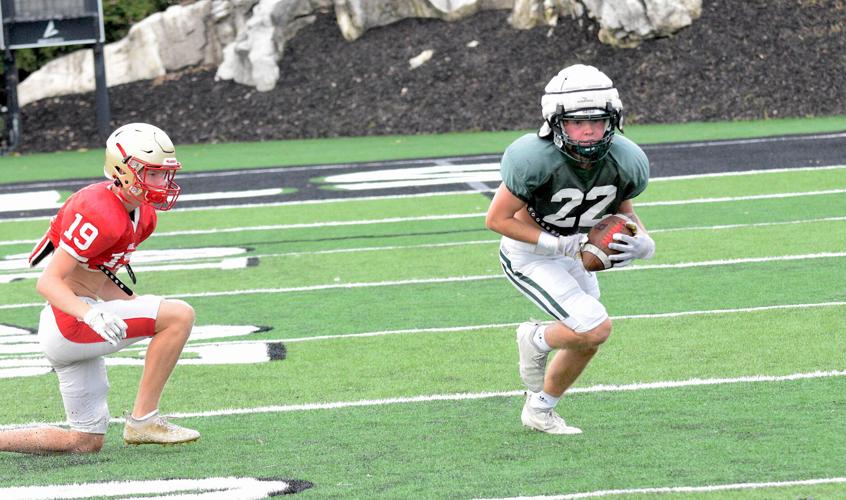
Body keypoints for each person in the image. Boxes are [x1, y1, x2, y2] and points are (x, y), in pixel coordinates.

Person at [0, 123, 199, 454]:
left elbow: (100, 277)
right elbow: (48, 281)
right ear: (123, 171)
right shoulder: (100, 210)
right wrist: (91, 315)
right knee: (179, 316)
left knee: (84, 442)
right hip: (70, 323)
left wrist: (133, 302)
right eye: (152, 173)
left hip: (73, 323)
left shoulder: (143, 215)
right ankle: (144, 420)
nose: (161, 182)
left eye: (164, 174)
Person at [485, 64, 656, 434]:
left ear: (614, 119)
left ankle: (540, 409)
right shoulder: (534, 159)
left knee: (587, 339)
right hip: (530, 253)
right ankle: (535, 338)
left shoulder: (625, 160)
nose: (589, 130)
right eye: (578, 122)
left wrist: (644, 241)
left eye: (598, 120)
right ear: (556, 122)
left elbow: (623, 211)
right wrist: (556, 242)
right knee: (594, 325)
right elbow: (497, 219)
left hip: (576, 251)